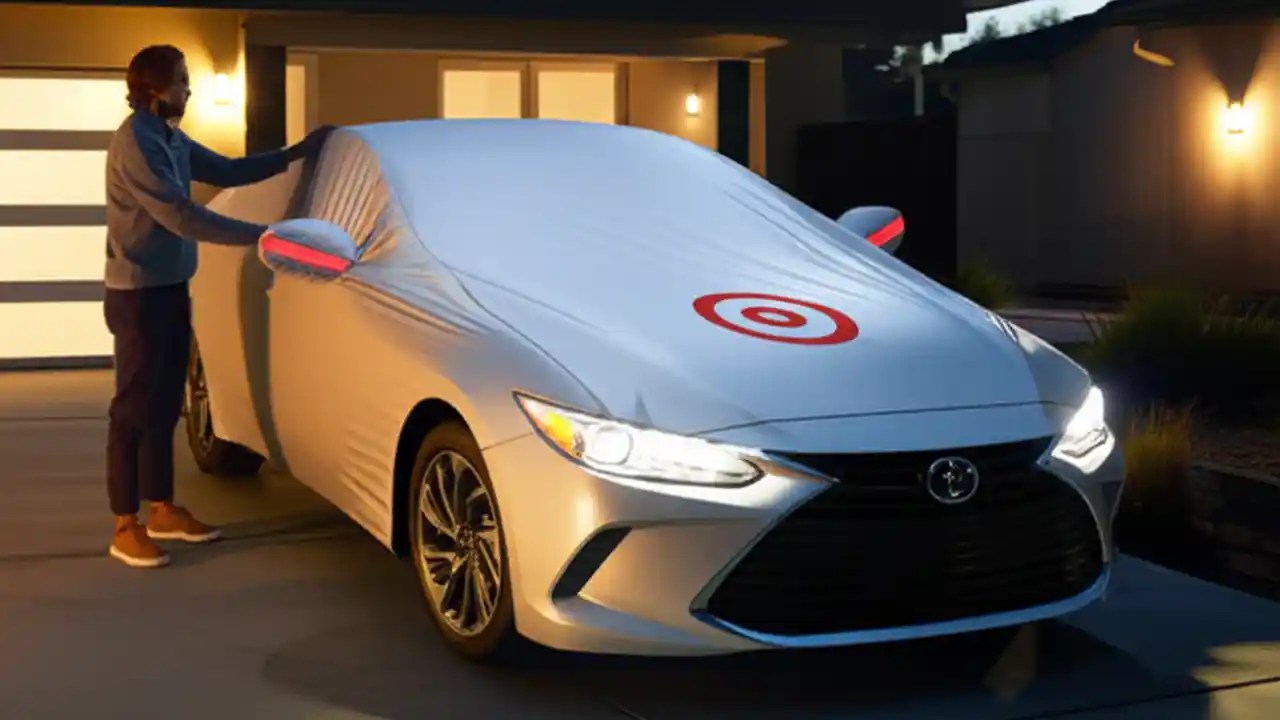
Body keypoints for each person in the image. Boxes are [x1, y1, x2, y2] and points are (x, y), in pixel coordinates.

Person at [104, 43, 333, 569]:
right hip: (137, 294)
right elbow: (180, 215)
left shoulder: (171, 137)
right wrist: (262, 235)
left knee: (166, 404)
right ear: (154, 88)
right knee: (132, 410)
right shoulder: (135, 142)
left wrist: (296, 153)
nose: (189, 90)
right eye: (183, 81)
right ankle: (125, 525)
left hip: (169, 287)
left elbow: (228, 171)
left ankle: (162, 509)